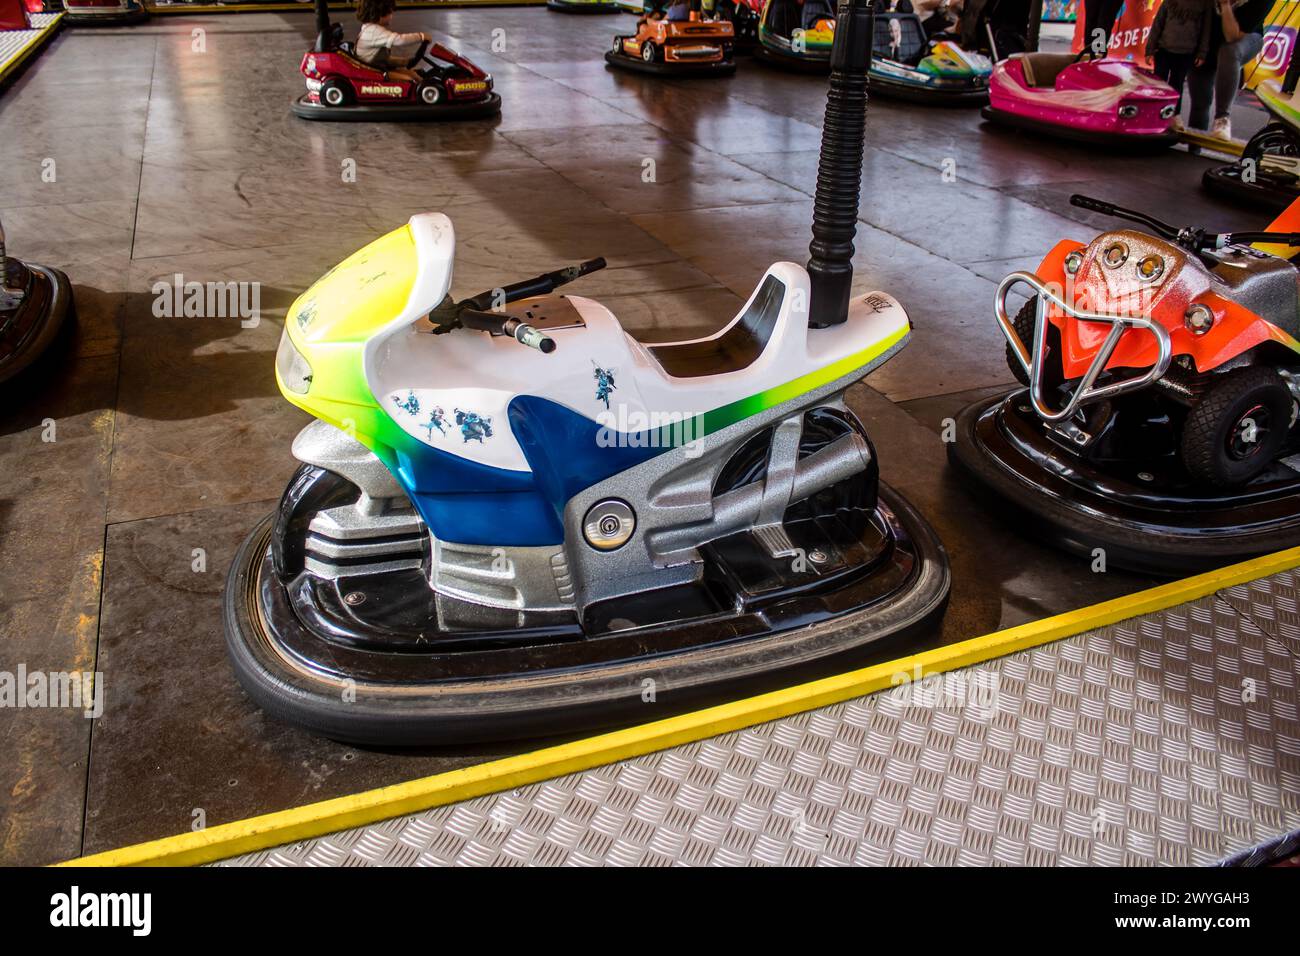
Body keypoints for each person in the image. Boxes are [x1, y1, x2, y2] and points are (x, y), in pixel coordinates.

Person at [1186, 0, 1273, 140]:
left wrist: (1225, 5)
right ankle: (1192, 149)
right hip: (1208, 39)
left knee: (1229, 51)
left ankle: (1222, 118)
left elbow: (1232, 36)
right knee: (1199, 104)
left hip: (1243, 37)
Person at [1145, 0, 1214, 119]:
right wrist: (1150, 49)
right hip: (1164, 49)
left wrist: (1202, 52)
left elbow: (1206, 30)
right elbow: (1158, 23)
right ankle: (1152, 112)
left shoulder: (1205, 4)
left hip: (1186, 52)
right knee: (1158, 83)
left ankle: (1174, 115)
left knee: (1177, 85)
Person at [354, 0, 432, 81]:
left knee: (413, 74)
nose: (392, 16)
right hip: (373, 72)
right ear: (380, 14)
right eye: (390, 13)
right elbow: (400, 40)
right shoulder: (374, 31)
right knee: (409, 80)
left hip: (376, 67)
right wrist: (421, 36)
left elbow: (382, 59)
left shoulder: (368, 28)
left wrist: (405, 62)